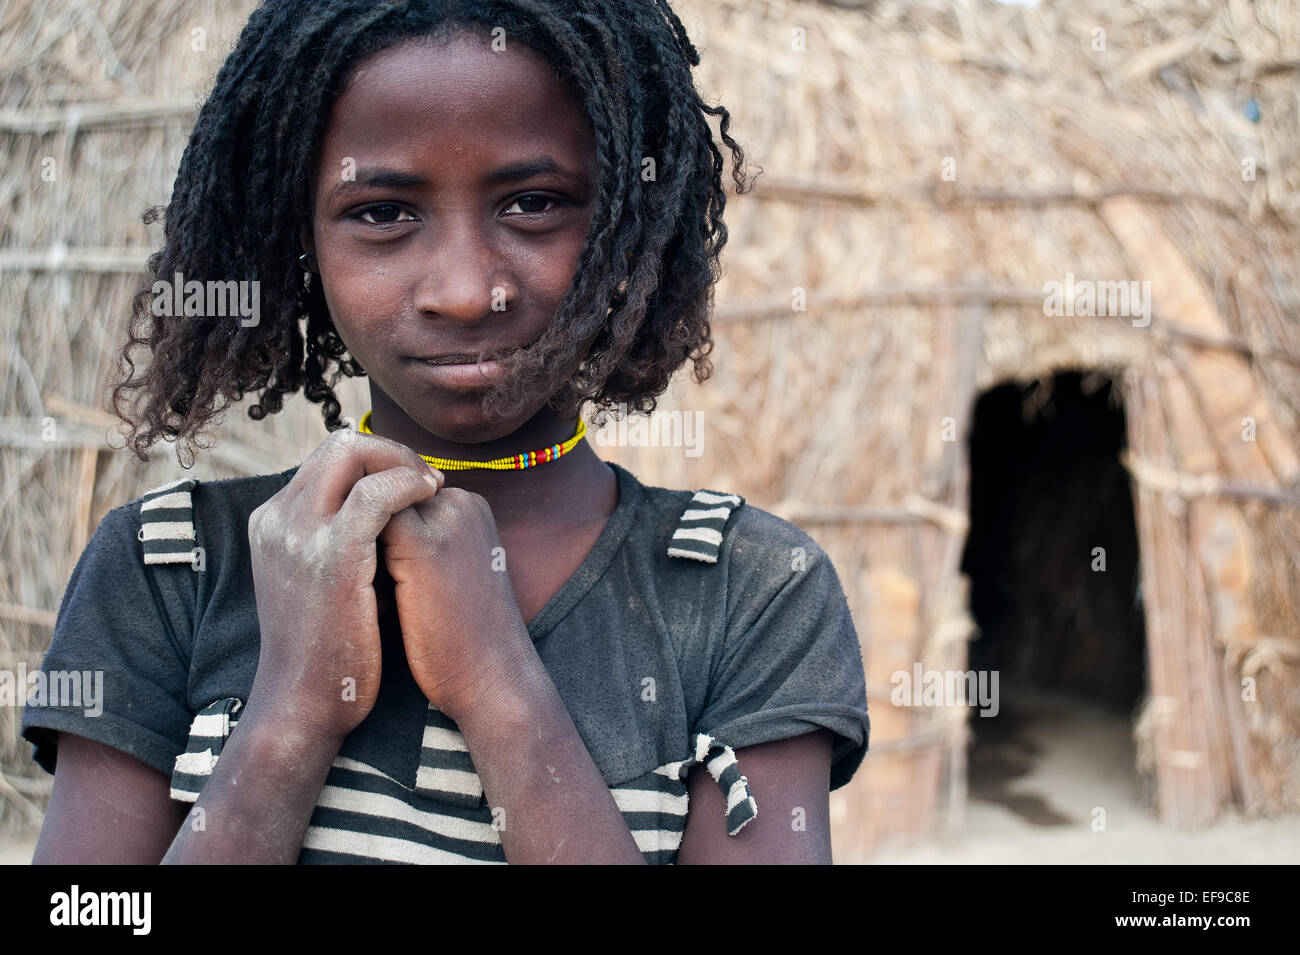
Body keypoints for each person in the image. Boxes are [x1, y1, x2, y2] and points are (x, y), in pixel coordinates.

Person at [21, 0, 869, 864]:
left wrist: (497, 687)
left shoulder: (750, 594)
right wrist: (290, 713)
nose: (465, 290)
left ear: (628, 222)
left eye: (534, 202)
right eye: (383, 212)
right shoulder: (169, 568)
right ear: (296, 238)